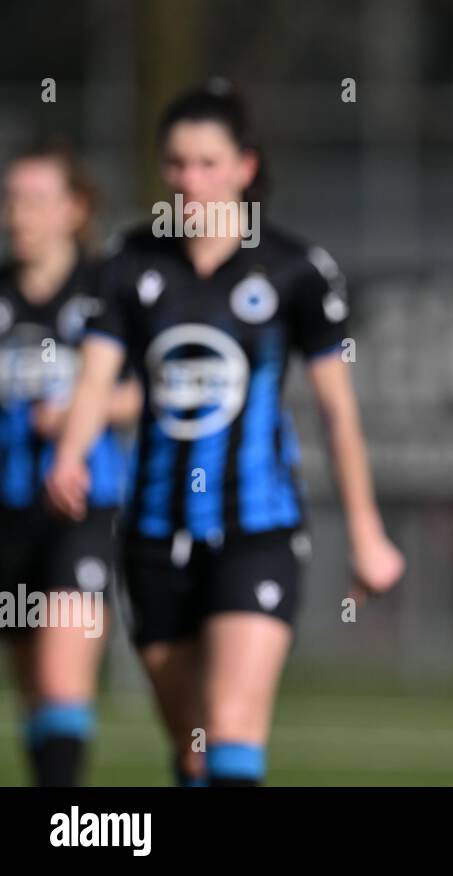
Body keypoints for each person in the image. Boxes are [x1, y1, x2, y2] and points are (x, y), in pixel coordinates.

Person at [45, 81, 405, 786]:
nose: (190, 180)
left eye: (208, 163)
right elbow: (95, 378)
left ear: (245, 166)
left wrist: (366, 531)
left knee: (235, 732)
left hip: (257, 531)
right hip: (151, 535)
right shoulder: (128, 266)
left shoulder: (294, 271)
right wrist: (69, 452)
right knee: (195, 749)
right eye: (177, 164)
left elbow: (338, 411)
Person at [0, 140, 139, 786]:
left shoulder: (105, 292)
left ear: (73, 209)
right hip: (9, 511)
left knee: (62, 680)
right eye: (11, 199)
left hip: (81, 507)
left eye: (34, 199)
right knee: (33, 693)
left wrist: (83, 411)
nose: (17, 214)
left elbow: (146, 388)